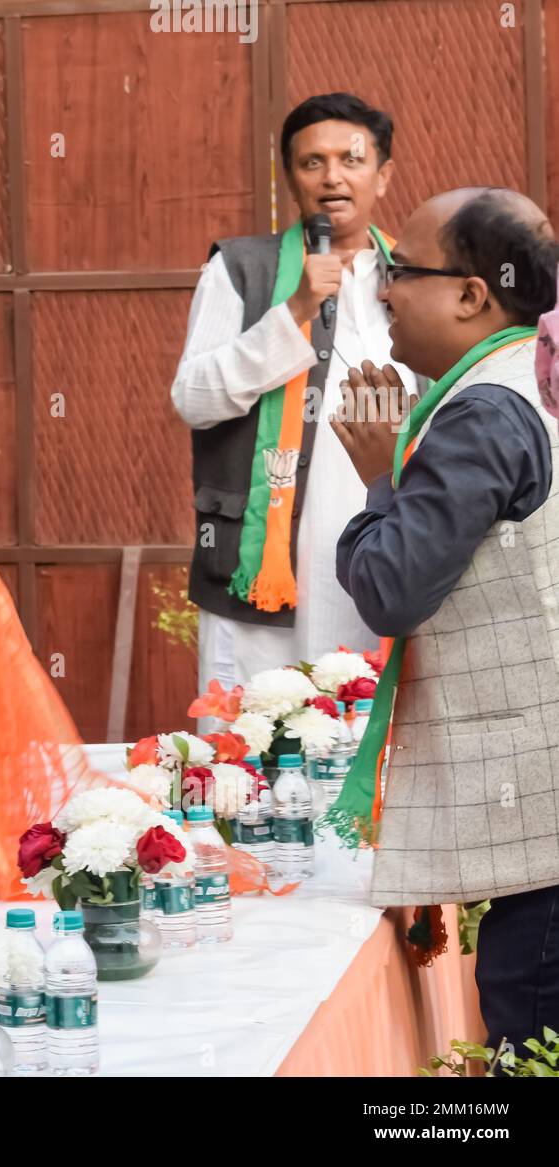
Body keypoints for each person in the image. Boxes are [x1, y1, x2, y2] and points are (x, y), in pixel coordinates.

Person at [331, 187, 559, 1054]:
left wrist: (379, 478)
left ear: (473, 294)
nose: (382, 289)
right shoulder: (532, 376)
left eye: (400, 270)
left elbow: (391, 585)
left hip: (542, 829)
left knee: (530, 1038)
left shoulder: (484, 411)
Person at [172, 93, 415, 704]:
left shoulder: (419, 276)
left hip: (385, 554)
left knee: (365, 751)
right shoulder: (242, 269)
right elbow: (194, 399)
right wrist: (298, 309)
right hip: (268, 566)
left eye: (351, 160)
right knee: (255, 750)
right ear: (289, 179)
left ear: (382, 175)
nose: (332, 176)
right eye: (312, 163)